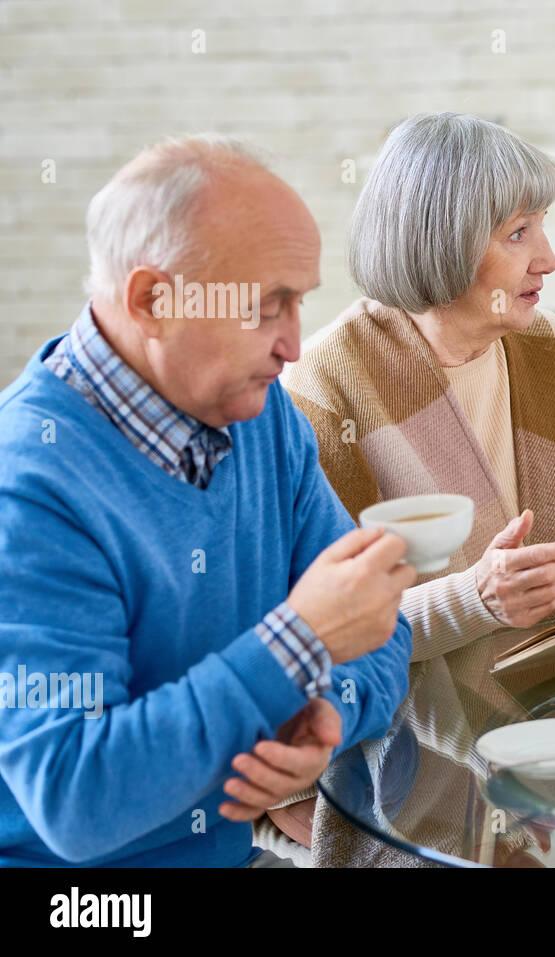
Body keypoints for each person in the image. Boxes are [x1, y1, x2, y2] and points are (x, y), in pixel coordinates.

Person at [280, 112, 555, 863]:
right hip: (423, 791)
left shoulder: (551, 350)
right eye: (518, 233)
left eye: (543, 227)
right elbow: (310, 629)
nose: (548, 258)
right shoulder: (326, 390)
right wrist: (475, 599)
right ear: (443, 238)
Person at [0, 135, 415, 867]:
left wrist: (324, 718)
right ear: (152, 301)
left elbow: (377, 620)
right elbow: (75, 799)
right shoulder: (30, 484)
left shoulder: (261, 416)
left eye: (301, 302)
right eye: (267, 306)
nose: (294, 343)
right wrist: (299, 643)